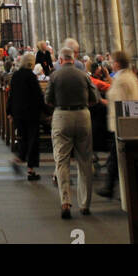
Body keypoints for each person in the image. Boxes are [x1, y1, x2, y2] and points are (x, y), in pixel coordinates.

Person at [46, 45, 102, 219]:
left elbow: (48, 100)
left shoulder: (55, 76)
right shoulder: (84, 75)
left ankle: (65, 202)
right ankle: (85, 204)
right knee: (85, 161)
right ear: (74, 59)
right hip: (83, 115)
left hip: (62, 116)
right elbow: (96, 98)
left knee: (61, 160)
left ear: (61, 60)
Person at [97, 50, 138, 200]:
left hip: (123, 124)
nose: (111, 64)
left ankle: (112, 188)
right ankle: (115, 188)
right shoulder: (127, 76)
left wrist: (103, 101)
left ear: (116, 64)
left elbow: (119, 101)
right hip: (127, 123)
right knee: (115, 159)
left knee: (116, 159)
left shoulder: (123, 79)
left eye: (112, 62)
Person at [7, 52, 46, 181]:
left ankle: (18, 159)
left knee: (23, 137)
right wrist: (47, 111)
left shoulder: (16, 75)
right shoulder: (31, 76)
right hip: (31, 113)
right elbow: (38, 96)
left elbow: (11, 95)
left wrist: (9, 112)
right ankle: (30, 170)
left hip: (18, 113)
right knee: (33, 140)